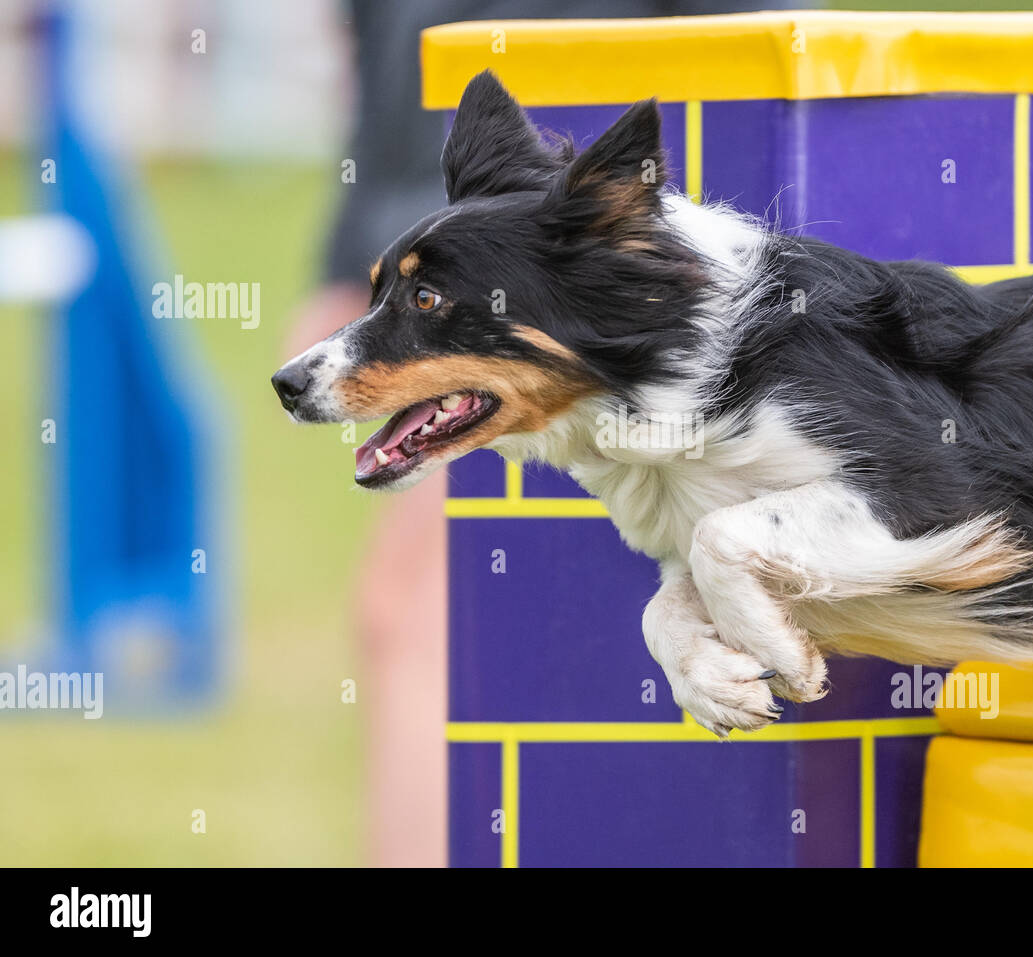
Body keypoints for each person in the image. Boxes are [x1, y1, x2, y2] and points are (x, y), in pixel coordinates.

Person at [285, 0, 798, 867]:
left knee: (408, 611)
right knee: (411, 615)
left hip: (571, 277)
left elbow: (774, 48)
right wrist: (348, 262)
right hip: (448, 247)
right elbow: (384, 36)